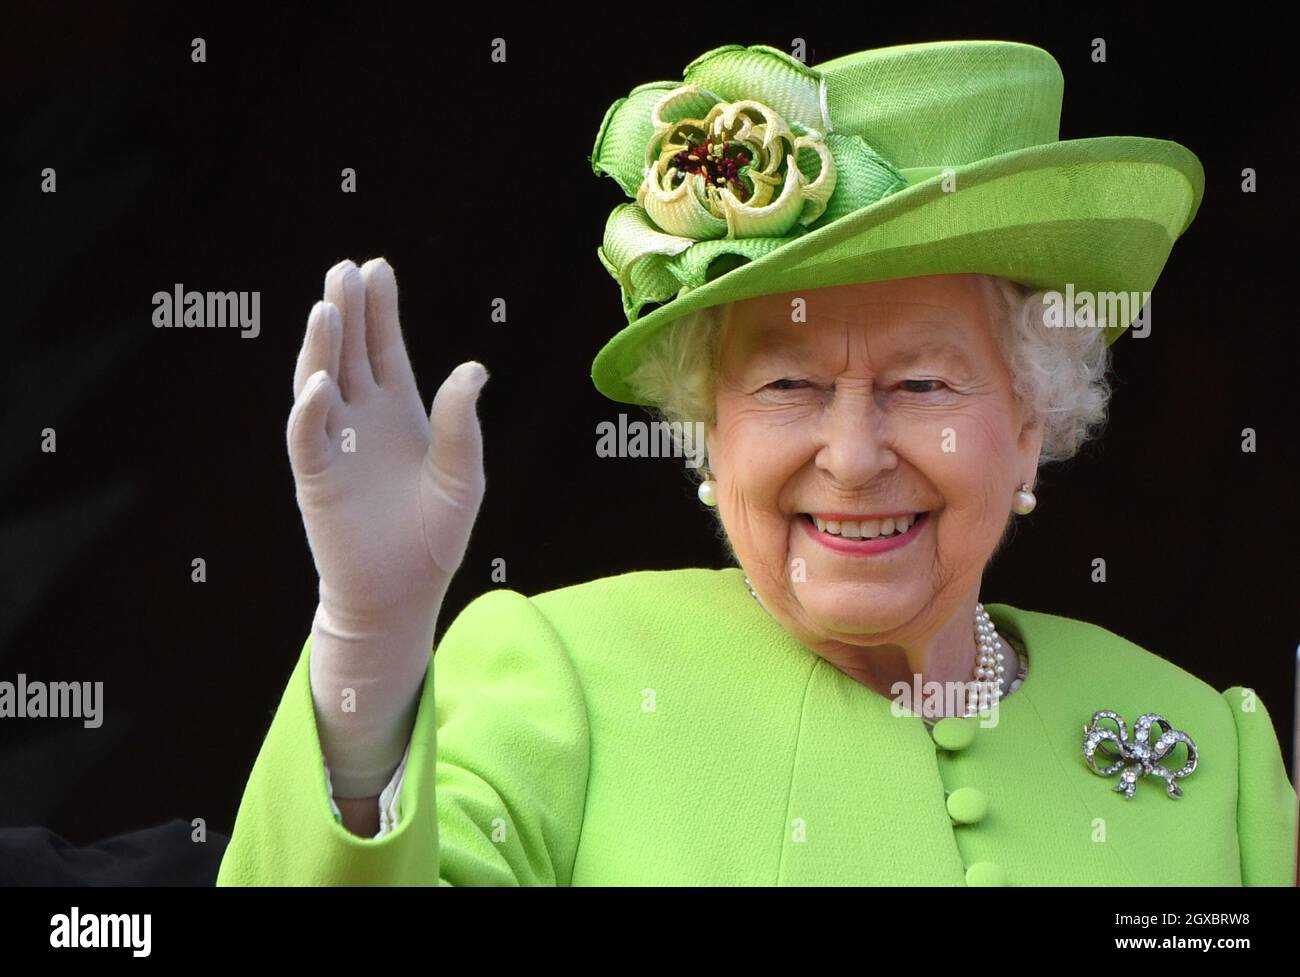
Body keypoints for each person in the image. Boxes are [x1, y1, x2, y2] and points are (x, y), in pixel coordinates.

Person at [217, 39, 1297, 885]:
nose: (855, 454)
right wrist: (369, 641)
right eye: (788, 386)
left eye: (923, 385)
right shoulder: (560, 683)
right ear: (709, 429)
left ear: (1031, 420)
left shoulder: (1206, 745)